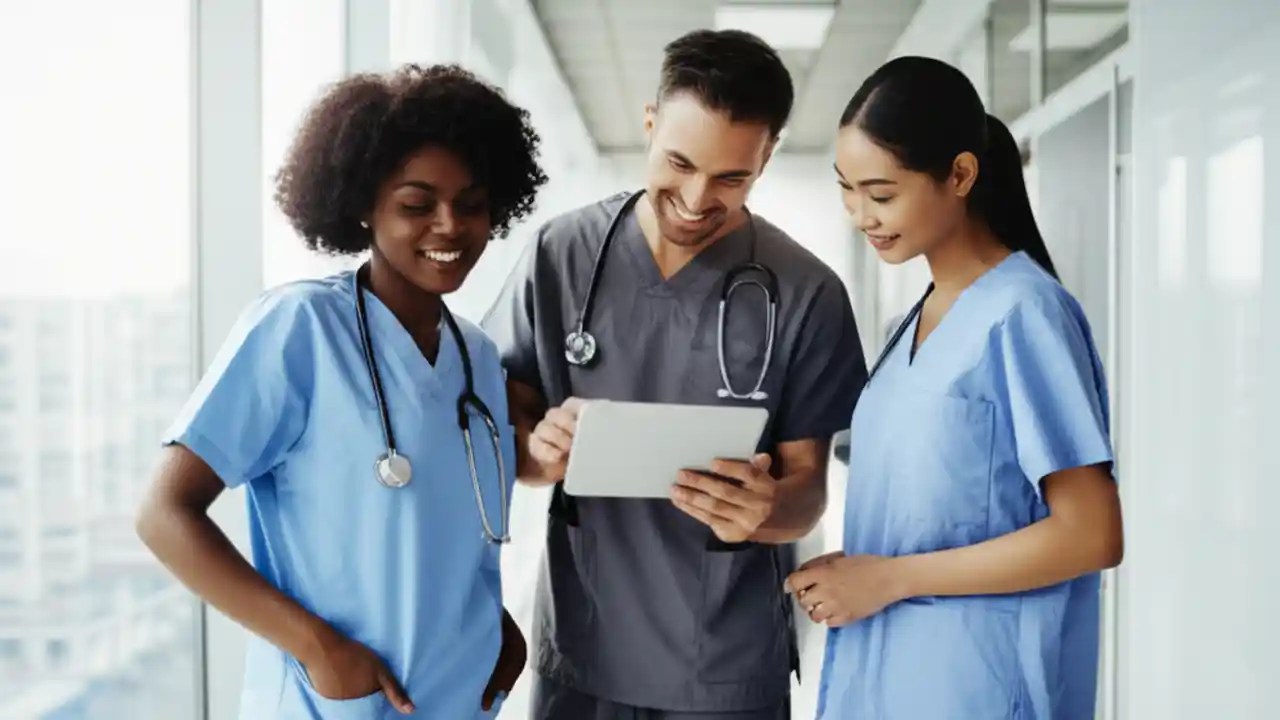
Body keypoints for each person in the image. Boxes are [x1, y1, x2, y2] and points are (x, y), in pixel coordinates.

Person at [135, 64, 548, 719]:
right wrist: (319, 648)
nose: (450, 226)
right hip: (335, 701)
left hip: (461, 695)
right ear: (362, 205)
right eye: (416, 205)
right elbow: (163, 513)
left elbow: (440, 530)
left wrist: (500, 634)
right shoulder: (298, 330)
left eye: (471, 204)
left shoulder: (476, 357)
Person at [483, 29, 867, 720]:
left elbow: (807, 489)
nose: (695, 198)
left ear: (767, 156)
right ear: (650, 123)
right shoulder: (560, 255)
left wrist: (766, 512)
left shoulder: (807, 292)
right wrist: (537, 453)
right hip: (583, 646)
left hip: (723, 661)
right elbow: (503, 438)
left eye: (731, 177)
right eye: (679, 162)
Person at [788, 56, 1124, 719]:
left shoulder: (1024, 313)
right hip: (884, 677)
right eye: (846, 190)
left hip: (978, 687)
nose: (862, 214)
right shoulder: (906, 324)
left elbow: (1092, 533)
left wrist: (889, 578)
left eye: (881, 194)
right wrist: (856, 570)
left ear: (961, 175)